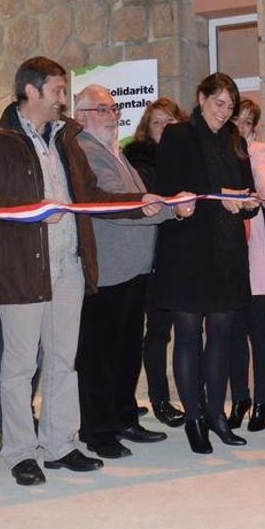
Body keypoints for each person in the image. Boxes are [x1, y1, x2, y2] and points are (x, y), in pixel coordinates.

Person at [0, 56, 162, 486]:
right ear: (31, 91)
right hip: (21, 270)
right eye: (57, 90)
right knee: (20, 366)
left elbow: (91, 196)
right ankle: (20, 451)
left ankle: (59, 444)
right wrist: (32, 212)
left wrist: (138, 203)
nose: (63, 98)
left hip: (69, 265)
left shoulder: (66, 138)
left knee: (62, 361)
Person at [152, 74, 258, 453]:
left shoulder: (235, 140)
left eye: (230, 106)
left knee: (222, 334)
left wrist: (248, 203)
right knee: (187, 333)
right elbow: (167, 187)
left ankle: (217, 415)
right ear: (201, 99)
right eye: (218, 103)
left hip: (226, 250)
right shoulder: (177, 135)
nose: (224, 112)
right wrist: (219, 193)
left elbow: (246, 193)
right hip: (187, 250)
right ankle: (193, 419)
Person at [73, 85, 180, 458]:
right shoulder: (85, 150)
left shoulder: (113, 149)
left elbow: (138, 197)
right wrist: (172, 209)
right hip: (107, 271)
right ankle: (98, 430)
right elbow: (115, 204)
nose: (112, 115)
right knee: (99, 355)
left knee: (127, 349)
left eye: (113, 109)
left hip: (132, 270)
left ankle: (123, 417)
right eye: (103, 109)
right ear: (81, 116)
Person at [124, 97, 188, 428]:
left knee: (181, 331)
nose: (163, 128)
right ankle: (153, 399)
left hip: (182, 255)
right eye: (156, 123)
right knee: (150, 333)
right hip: (146, 258)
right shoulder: (138, 160)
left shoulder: (190, 156)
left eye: (169, 122)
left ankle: (185, 398)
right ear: (146, 129)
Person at [227, 98, 265, 432]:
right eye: (237, 119)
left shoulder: (258, 151)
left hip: (257, 249)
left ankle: (263, 400)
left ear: (254, 128)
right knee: (233, 329)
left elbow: (263, 178)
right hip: (228, 250)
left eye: (248, 122)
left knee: (258, 326)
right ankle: (240, 399)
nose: (241, 127)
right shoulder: (218, 151)